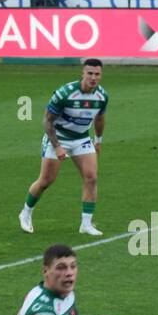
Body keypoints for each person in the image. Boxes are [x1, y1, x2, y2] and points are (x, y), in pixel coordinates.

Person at [19, 59, 109, 237]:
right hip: (58, 137)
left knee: (91, 178)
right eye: (89, 73)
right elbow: (47, 120)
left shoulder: (102, 96)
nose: (93, 77)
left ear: (101, 75)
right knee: (46, 180)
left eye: (97, 74)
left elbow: (99, 118)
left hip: (82, 138)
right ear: (82, 74)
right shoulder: (65, 93)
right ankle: (26, 213)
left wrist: (98, 140)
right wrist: (58, 146)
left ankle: (86, 224)